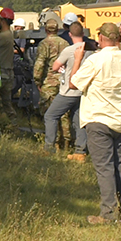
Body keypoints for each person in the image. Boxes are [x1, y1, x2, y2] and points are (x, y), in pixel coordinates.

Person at [71, 22, 121, 226]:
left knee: (104, 167)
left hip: (99, 118)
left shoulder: (96, 60)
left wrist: (77, 59)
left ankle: (108, 213)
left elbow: (74, 82)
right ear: (118, 38)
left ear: (100, 38)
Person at [40, 20, 89, 160]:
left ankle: (49, 148)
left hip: (68, 91)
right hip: (82, 91)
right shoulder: (89, 50)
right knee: (79, 120)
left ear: (70, 34)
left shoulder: (70, 50)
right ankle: (80, 150)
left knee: (50, 116)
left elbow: (55, 66)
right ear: (83, 33)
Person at [32, 16, 69, 146]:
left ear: (46, 30)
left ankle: (51, 141)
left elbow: (40, 63)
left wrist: (37, 80)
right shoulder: (65, 43)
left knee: (49, 113)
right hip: (63, 81)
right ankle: (66, 140)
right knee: (64, 112)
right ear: (58, 29)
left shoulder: (44, 44)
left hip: (49, 82)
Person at [0, 7, 18, 119]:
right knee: (5, 103)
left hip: (1, 73)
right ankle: (11, 125)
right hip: (7, 73)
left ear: (3, 21)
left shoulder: (3, 36)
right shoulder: (8, 34)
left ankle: (4, 124)